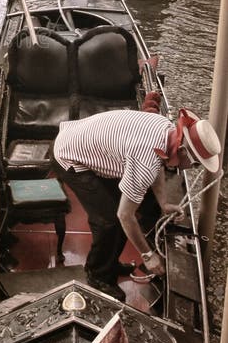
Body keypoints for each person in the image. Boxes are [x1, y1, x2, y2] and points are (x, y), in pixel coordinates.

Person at [53, 107, 221, 301]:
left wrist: (164, 203)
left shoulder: (166, 128)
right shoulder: (145, 162)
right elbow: (125, 215)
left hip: (82, 141)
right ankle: (97, 275)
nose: (193, 168)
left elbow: (158, 163)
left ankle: (109, 263)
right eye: (196, 164)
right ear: (183, 151)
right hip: (69, 156)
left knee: (122, 210)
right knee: (108, 221)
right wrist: (147, 255)